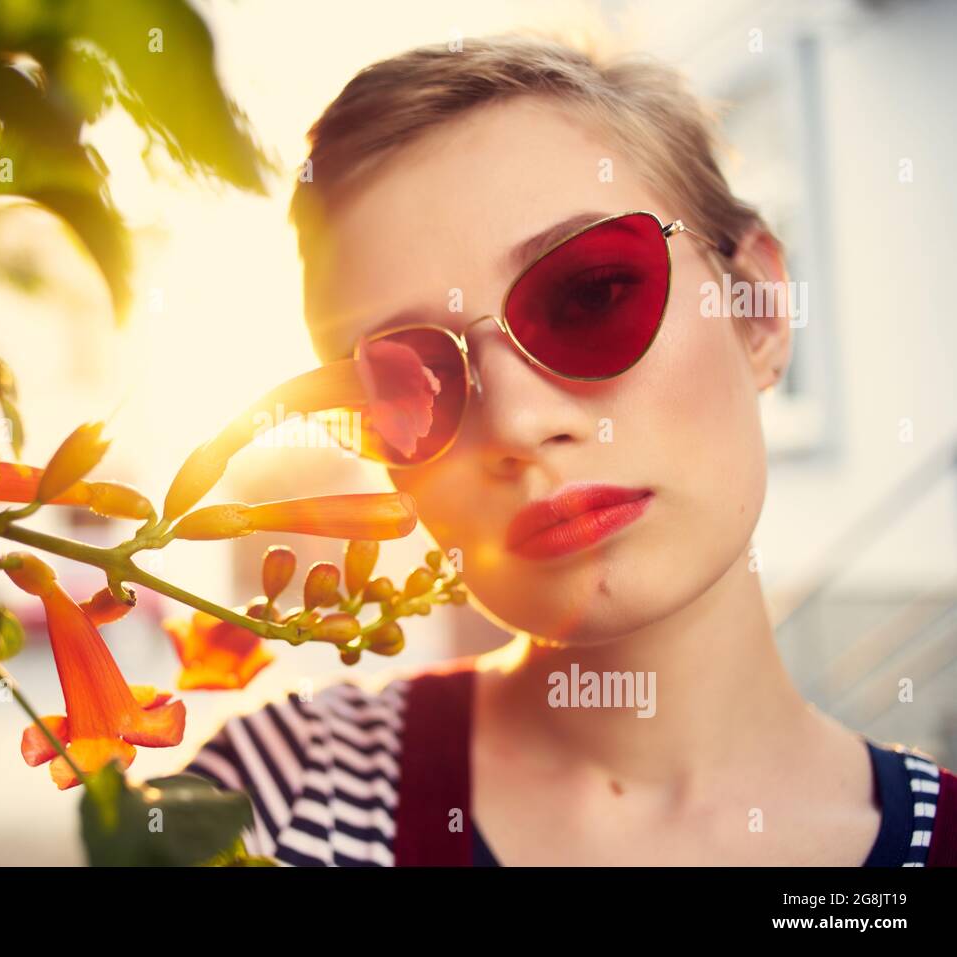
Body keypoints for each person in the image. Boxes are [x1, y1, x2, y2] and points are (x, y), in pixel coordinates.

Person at [179, 33, 956, 866]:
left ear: (760, 308)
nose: (515, 423)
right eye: (406, 377)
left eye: (592, 293)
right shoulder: (272, 801)